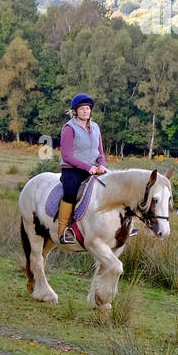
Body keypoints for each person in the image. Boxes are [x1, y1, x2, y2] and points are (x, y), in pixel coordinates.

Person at [57, 92, 108, 244]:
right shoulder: (69, 128)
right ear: (75, 111)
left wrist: (102, 165)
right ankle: (63, 231)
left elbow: (100, 151)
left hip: (93, 168)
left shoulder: (96, 127)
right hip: (72, 169)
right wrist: (88, 167)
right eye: (82, 109)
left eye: (88, 108)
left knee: (112, 187)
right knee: (70, 193)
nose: (86, 111)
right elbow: (66, 155)